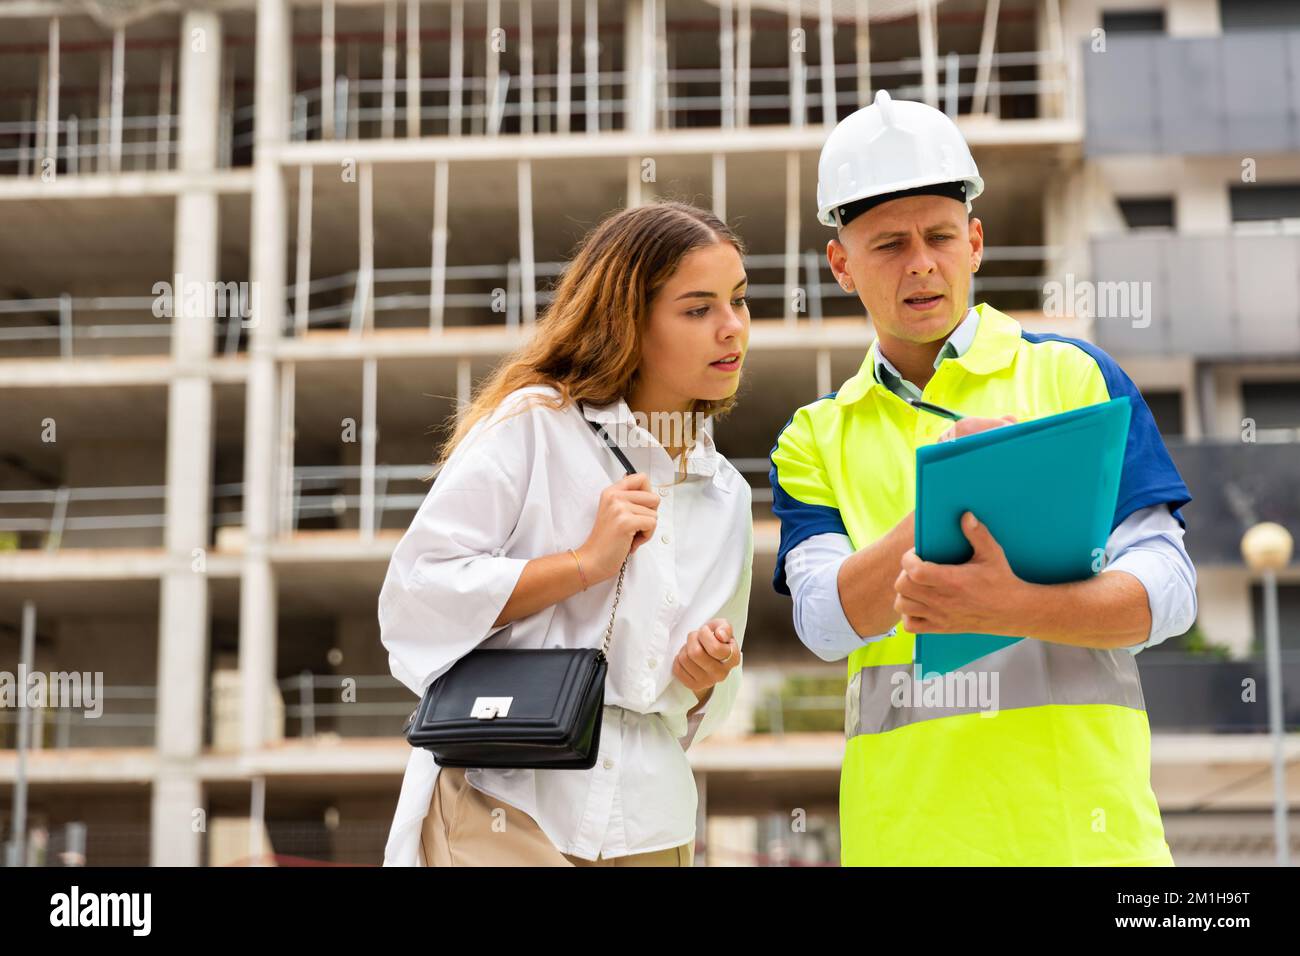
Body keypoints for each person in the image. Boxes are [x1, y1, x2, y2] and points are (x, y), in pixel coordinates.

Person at [769, 91, 1197, 866]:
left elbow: (1168, 592)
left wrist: (1015, 604)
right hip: (903, 842)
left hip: (1085, 839)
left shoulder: (1075, 377)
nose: (921, 263)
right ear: (841, 264)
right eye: (889, 244)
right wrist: (949, 500)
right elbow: (825, 626)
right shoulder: (812, 436)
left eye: (938, 236)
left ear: (974, 242)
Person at [379, 201, 754, 866]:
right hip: (507, 803)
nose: (732, 329)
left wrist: (704, 675)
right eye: (698, 309)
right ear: (628, 322)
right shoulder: (536, 425)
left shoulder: (726, 495)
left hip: (650, 826)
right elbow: (417, 593)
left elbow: (684, 708)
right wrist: (584, 563)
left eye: (739, 301)